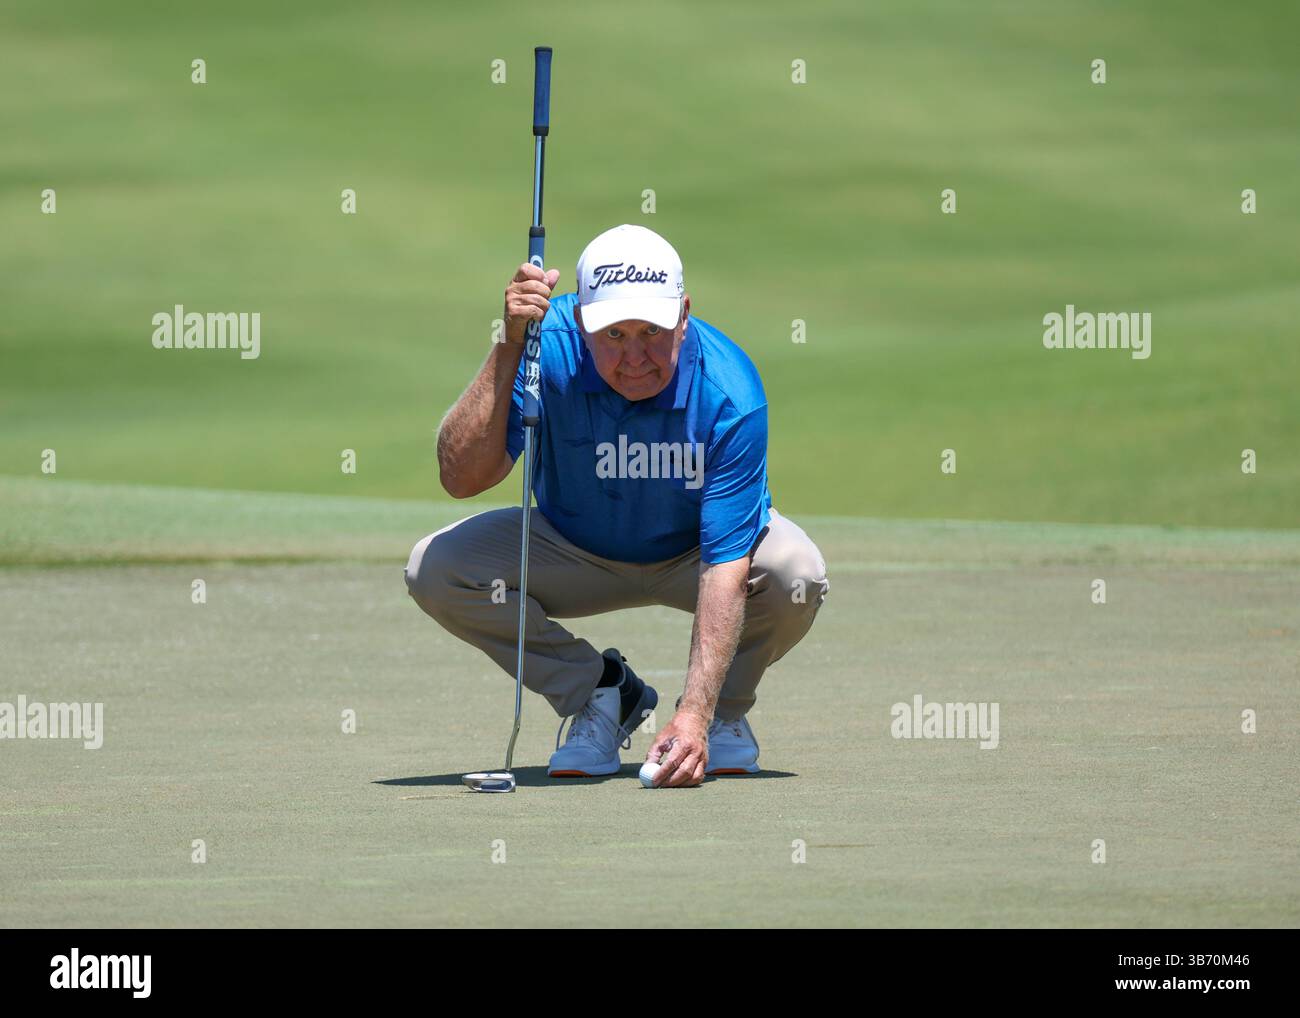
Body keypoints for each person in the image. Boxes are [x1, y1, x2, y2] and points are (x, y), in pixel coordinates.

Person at [406, 224, 828, 787]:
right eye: (613, 334)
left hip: (694, 556)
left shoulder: (729, 390)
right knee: (435, 569)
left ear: (684, 314)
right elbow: (461, 477)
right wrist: (509, 343)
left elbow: (726, 563)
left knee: (796, 572)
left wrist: (696, 713)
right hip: (573, 551)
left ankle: (721, 714)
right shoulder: (542, 344)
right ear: (580, 320)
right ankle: (601, 692)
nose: (635, 357)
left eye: (652, 330)